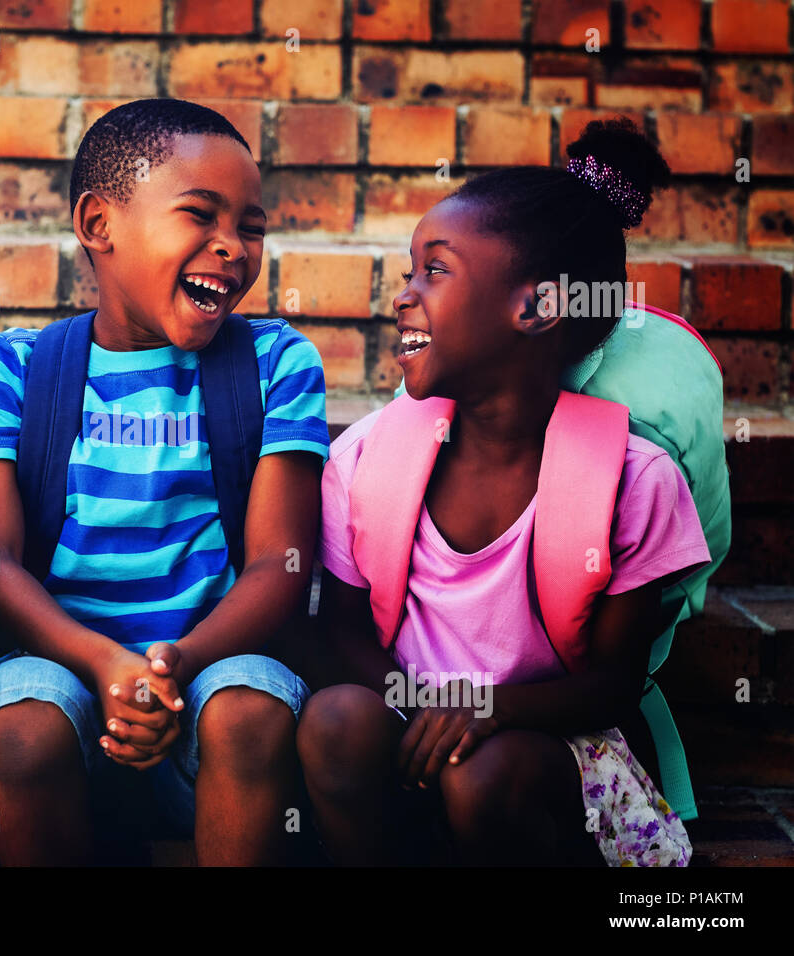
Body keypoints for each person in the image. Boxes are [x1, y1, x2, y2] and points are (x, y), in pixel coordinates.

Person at [299, 119, 712, 866]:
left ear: (538, 307)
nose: (403, 297)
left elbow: (614, 683)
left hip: (546, 750)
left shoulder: (633, 478)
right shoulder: (365, 459)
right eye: (409, 272)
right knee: (335, 721)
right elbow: (342, 633)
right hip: (410, 724)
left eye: (435, 271)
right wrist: (430, 710)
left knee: (482, 779)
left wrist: (489, 711)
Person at [0, 98, 331, 865]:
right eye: (200, 215)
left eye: (250, 227)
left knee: (249, 709)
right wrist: (103, 666)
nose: (232, 246)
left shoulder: (276, 364)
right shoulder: (11, 372)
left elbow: (279, 565)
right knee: (18, 727)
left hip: (211, 680)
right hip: (64, 688)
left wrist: (173, 666)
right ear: (99, 224)